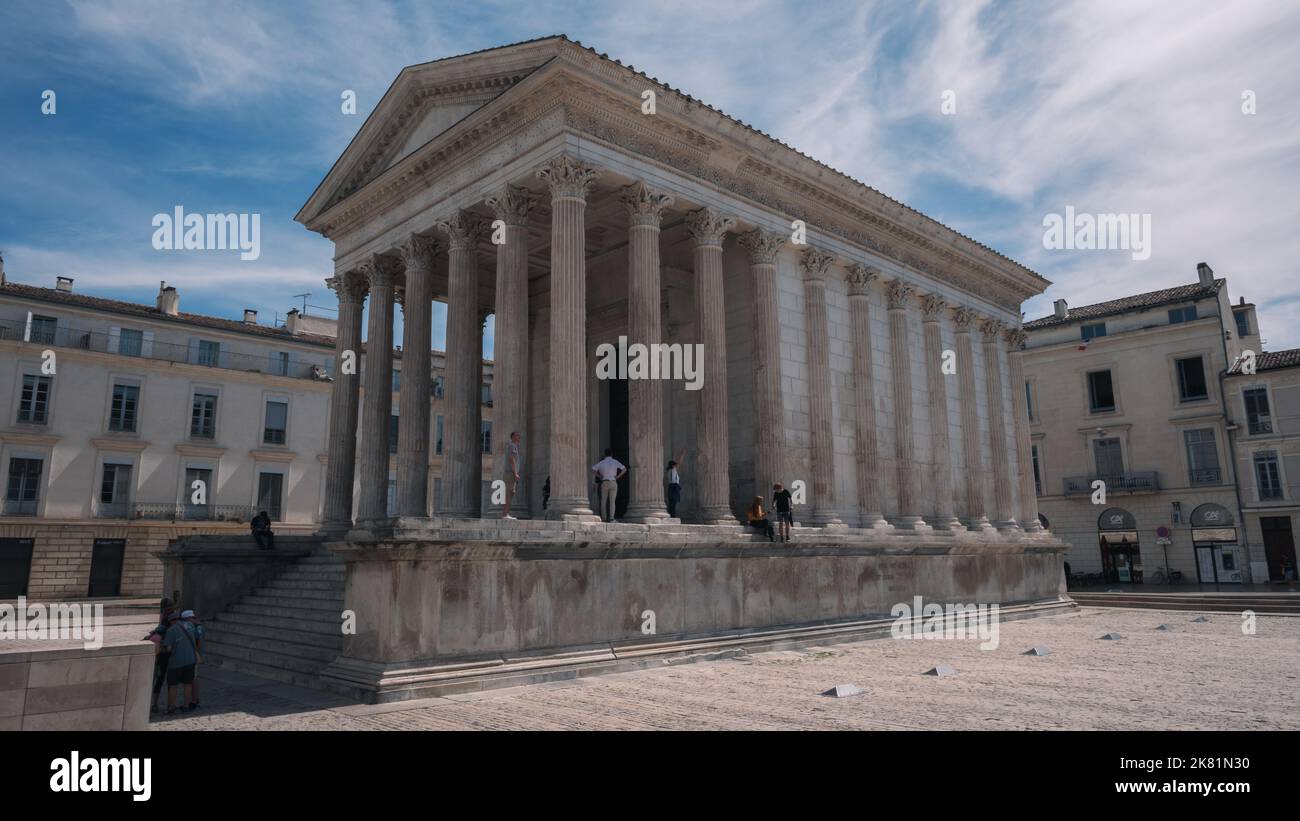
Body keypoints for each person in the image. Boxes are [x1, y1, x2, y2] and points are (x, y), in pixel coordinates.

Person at [161, 612, 199, 714]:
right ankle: (186, 706)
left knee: (173, 685)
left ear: (172, 621)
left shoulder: (171, 630)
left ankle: (171, 707)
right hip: (191, 659)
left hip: (177, 661)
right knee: (188, 683)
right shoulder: (190, 625)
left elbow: (168, 649)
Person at [591, 449, 627, 523]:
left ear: (605, 454)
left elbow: (592, 469)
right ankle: (611, 518)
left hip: (604, 482)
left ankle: (604, 518)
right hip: (613, 482)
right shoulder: (615, 461)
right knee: (612, 501)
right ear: (612, 454)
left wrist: (599, 476)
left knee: (603, 501)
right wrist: (617, 476)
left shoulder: (602, 462)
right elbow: (624, 469)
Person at [182, 609, 205, 710]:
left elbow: (198, 641)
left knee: (194, 678)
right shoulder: (196, 625)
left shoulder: (197, 627)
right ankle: (195, 699)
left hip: (194, 654)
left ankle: (194, 700)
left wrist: (197, 654)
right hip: (193, 654)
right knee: (193, 678)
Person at [502, 431, 522, 519]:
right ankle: (505, 514)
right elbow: (511, 459)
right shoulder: (512, 446)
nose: (519, 437)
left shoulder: (514, 447)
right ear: (513, 437)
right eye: (517, 435)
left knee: (511, 492)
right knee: (509, 493)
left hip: (511, 473)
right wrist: (515, 473)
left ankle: (506, 513)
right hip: (511, 473)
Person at [664, 448, 686, 519]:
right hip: (674, 487)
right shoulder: (673, 470)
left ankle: (672, 515)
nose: (676, 465)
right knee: (673, 502)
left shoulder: (669, 471)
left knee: (672, 502)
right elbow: (679, 462)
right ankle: (672, 516)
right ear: (673, 465)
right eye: (674, 464)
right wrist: (682, 454)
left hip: (671, 487)